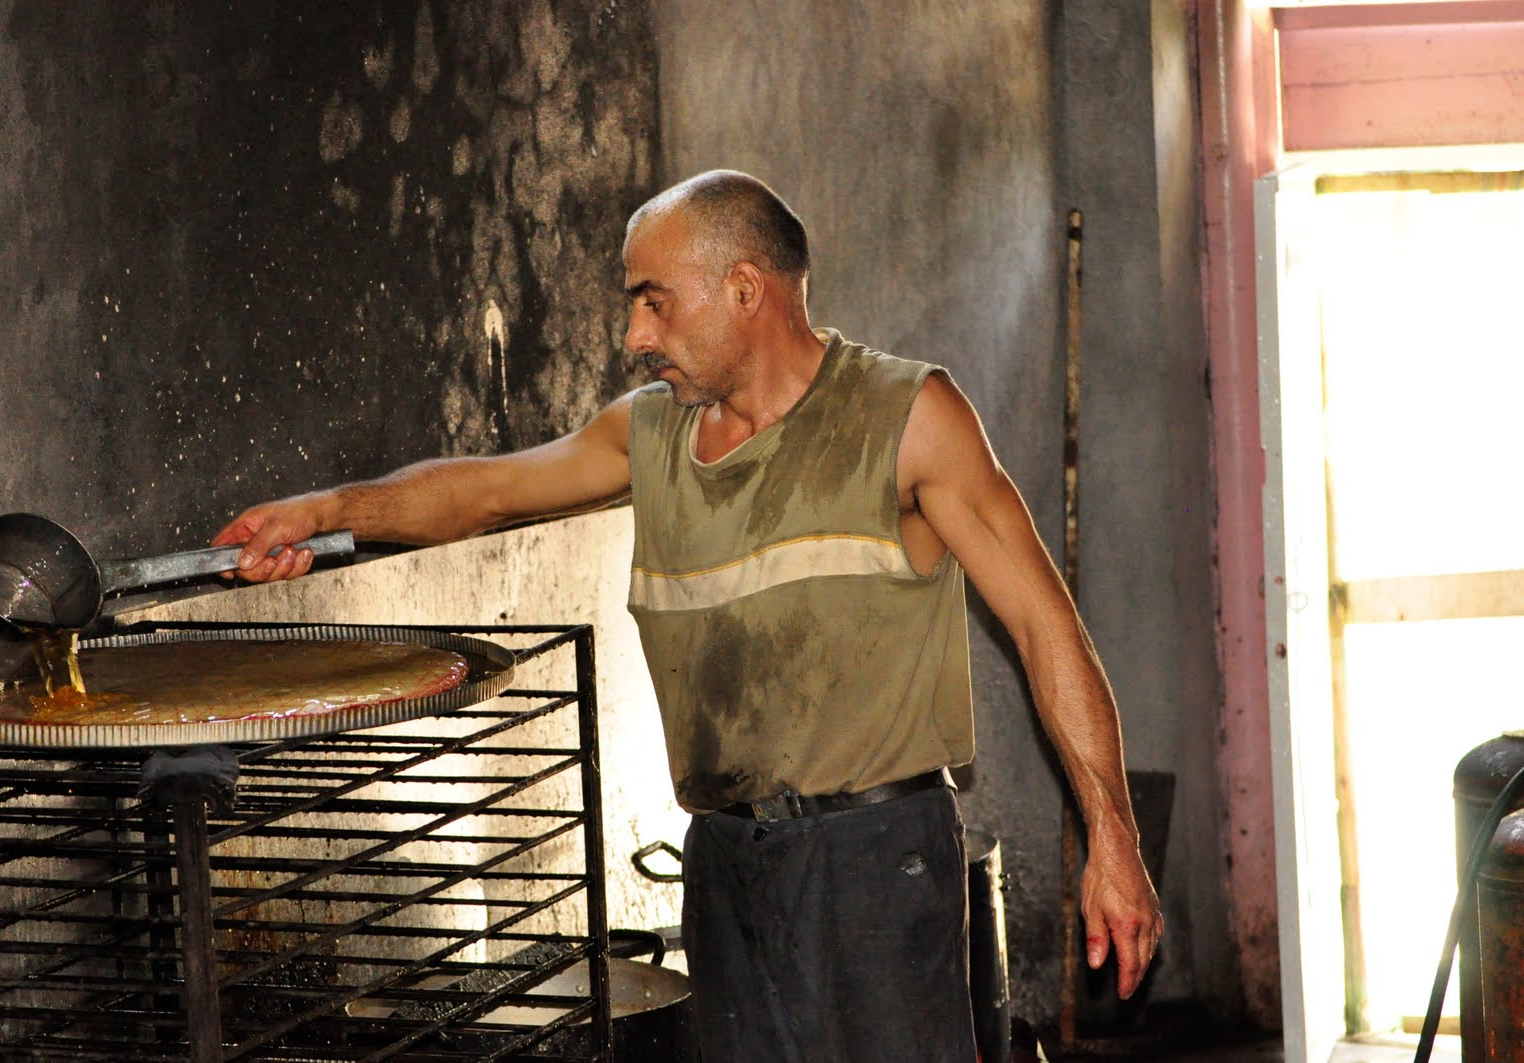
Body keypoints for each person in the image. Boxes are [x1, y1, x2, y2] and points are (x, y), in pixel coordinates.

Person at [214, 170, 1162, 1062]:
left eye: (655, 300)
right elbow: (485, 492)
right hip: (725, 858)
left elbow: (1045, 628)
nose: (636, 333)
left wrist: (1112, 837)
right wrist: (326, 511)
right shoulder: (649, 432)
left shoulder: (906, 418)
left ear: (745, 289)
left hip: (875, 859)